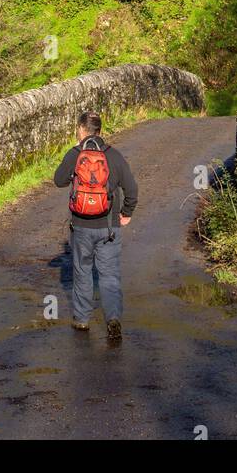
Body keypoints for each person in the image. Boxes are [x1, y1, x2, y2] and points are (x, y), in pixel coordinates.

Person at [53, 109, 138, 341]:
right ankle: (113, 319)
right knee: (109, 274)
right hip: (109, 226)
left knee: (82, 272)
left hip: (81, 226)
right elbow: (132, 190)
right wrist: (126, 213)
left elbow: (58, 180)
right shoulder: (114, 155)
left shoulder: (75, 153)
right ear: (101, 130)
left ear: (81, 130)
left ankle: (82, 320)